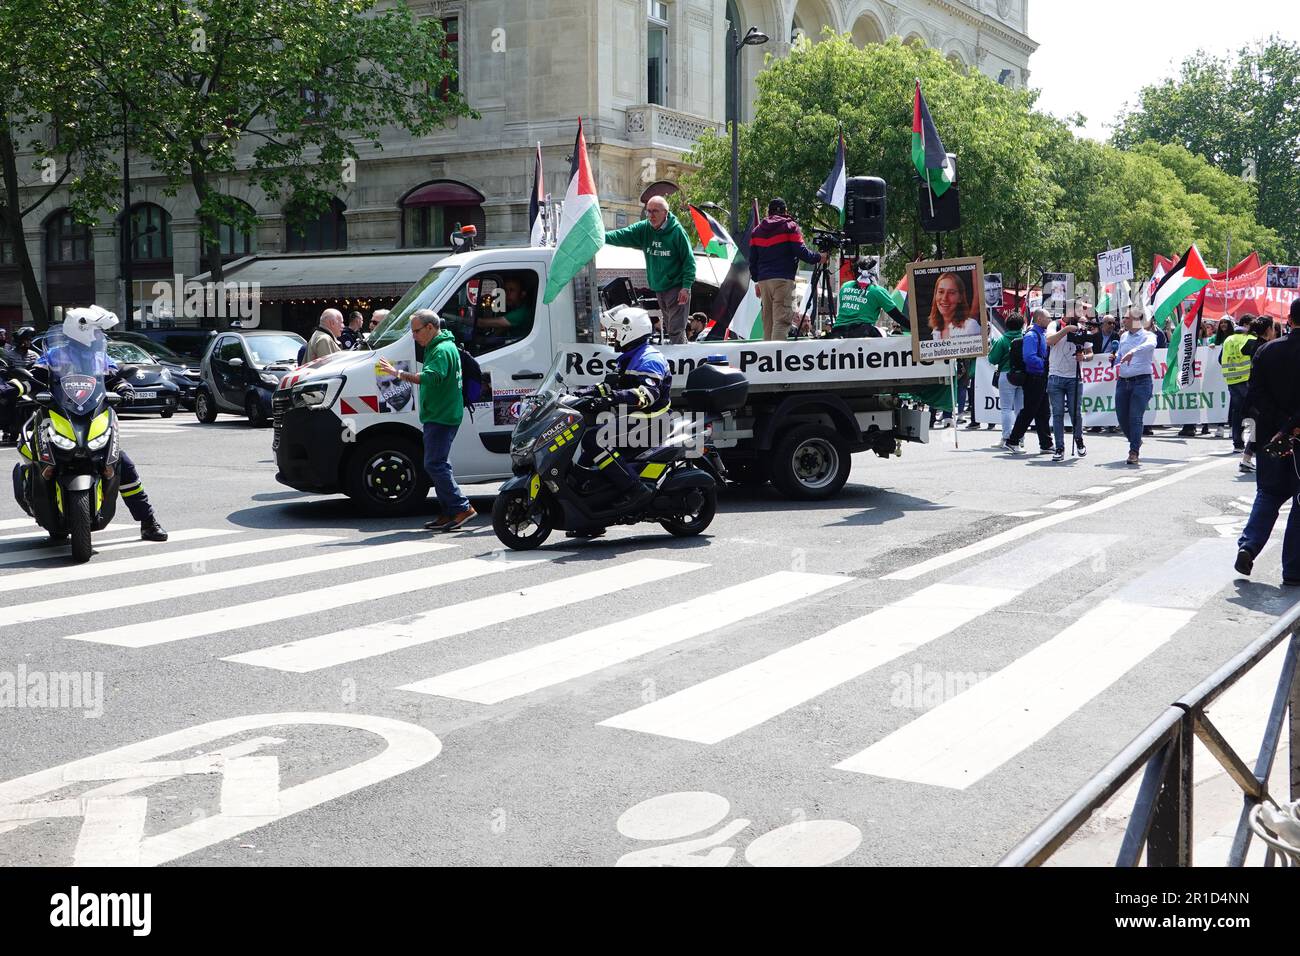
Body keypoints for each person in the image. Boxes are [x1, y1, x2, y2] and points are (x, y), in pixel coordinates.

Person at [14, 306, 168, 541]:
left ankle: (148, 521)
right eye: (96, 330)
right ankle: (42, 508)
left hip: (92, 416)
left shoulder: (100, 356)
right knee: (38, 459)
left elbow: (114, 378)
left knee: (122, 464)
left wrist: (124, 389)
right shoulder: (55, 355)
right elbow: (35, 378)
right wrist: (18, 387)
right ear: (81, 330)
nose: (99, 335)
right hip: (59, 415)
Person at [566, 307, 668, 537]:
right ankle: (591, 511)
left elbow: (647, 395)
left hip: (651, 422)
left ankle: (634, 488)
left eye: (614, 331)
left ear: (629, 331)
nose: (610, 336)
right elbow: (609, 386)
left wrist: (612, 399)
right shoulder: (630, 356)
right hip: (633, 420)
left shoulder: (649, 359)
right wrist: (580, 394)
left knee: (595, 439)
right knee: (588, 449)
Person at [376, 310, 476, 532]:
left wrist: (397, 373)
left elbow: (430, 377)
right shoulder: (442, 346)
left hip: (442, 415)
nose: (414, 336)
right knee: (438, 463)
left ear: (430, 327)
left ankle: (461, 507)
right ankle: (450, 511)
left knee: (435, 464)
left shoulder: (440, 349)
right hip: (443, 413)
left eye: (416, 331)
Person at [1234, 299, 1300, 583]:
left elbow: (1254, 397)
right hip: (1294, 434)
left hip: (1271, 436)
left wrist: (1276, 426)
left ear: (1289, 318)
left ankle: (1248, 546)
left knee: (1269, 493)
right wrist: (1289, 426)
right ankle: (1294, 569)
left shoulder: (1266, 351)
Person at [604, 196, 695, 344]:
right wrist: (601, 237)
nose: (651, 215)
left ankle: (679, 361)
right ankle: (680, 357)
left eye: (655, 211)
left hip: (676, 287)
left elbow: (689, 261)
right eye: (649, 211)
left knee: (675, 329)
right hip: (659, 287)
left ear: (665, 213)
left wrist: (686, 286)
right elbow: (622, 234)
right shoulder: (645, 228)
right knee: (670, 327)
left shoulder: (677, 232)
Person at [747, 198, 825, 342]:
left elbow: (752, 260)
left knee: (768, 322)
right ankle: (776, 359)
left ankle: (767, 358)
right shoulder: (790, 226)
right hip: (783, 279)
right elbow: (802, 252)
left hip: (764, 281)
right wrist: (819, 257)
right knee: (781, 321)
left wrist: (756, 281)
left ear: (768, 212)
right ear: (785, 211)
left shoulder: (757, 231)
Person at [1044, 304, 1094, 461]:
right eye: (1075, 309)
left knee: (1075, 413)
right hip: (1056, 376)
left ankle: (1079, 440)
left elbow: (1090, 353)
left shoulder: (1081, 328)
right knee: (1057, 413)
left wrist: (1084, 358)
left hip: (1074, 377)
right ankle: (1059, 447)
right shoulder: (1055, 324)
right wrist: (1066, 330)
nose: (1078, 312)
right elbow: (1049, 341)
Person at [1111, 306, 1158, 465]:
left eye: (1126, 318)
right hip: (1123, 381)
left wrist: (1134, 352)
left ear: (1137, 320)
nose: (1123, 320)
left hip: (1141, 382)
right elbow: (1120, 354)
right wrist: (1115, 360)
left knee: (1135, 417)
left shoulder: (1148, 335)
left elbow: (1151, 346)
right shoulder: (1123, 336)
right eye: (1124, 318)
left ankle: (1133, 451)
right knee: (1121, 417)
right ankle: (1135, 439)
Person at [1006, 309, 1053, 454]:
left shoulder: (1041, 334)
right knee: (1029, 411)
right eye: (1048, 318)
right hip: (1034, 378)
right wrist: (1045, 364)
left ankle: (1046, 444)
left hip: (1040, 377)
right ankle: (1013, 440)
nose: (1050, 320)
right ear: (1039, 319)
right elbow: (1029, 357)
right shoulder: (1032, 335)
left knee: (1043, 412)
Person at [831, 257, 904, 338]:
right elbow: (897, 316)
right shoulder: (877, 291)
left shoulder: (845, 286)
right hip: (863, 333)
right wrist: (915, 328)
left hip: (838, 332)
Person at [1239, 315, 1275, 473]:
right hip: (1263, 392)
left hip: (1253, 389)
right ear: (1268, 329)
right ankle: (1248, 459)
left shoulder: (1252, 343)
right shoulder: (1267, 347)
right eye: (1273, 328)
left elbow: (1243, 349)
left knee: (1259, 427)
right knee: (1261, 427)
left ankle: (1247, 458)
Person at [987, 314, 1024, 446]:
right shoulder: (1026, 338)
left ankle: (1006, 437)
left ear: (1007, 325)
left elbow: (992, 359)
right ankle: (1019, 439)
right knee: (1021, 409)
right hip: (1024, 377)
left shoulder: (1002, 340)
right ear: (1022, 325)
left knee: (1006, 409)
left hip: (1006, 375)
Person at [928, 272, 981, 341]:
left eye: (951, 293)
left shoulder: (970, 326)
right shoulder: (936, 330)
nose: (944, 298)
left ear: (960, 298)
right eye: (941, 292)